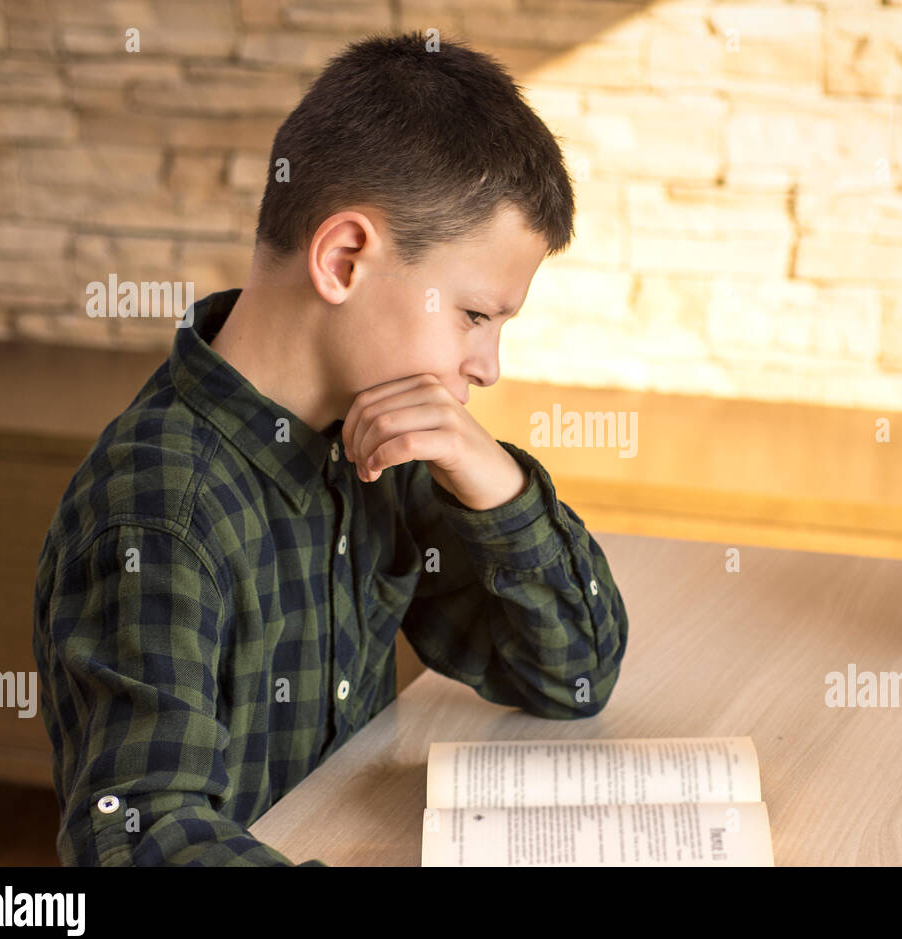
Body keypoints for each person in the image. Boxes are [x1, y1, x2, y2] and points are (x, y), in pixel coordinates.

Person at [32, 31, 628, 866]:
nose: (488, 366)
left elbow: (570, 679)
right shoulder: (160, 513)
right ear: (344, 259)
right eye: (475, 316)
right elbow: (141, 835)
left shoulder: (380, 439)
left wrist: (492, 483)